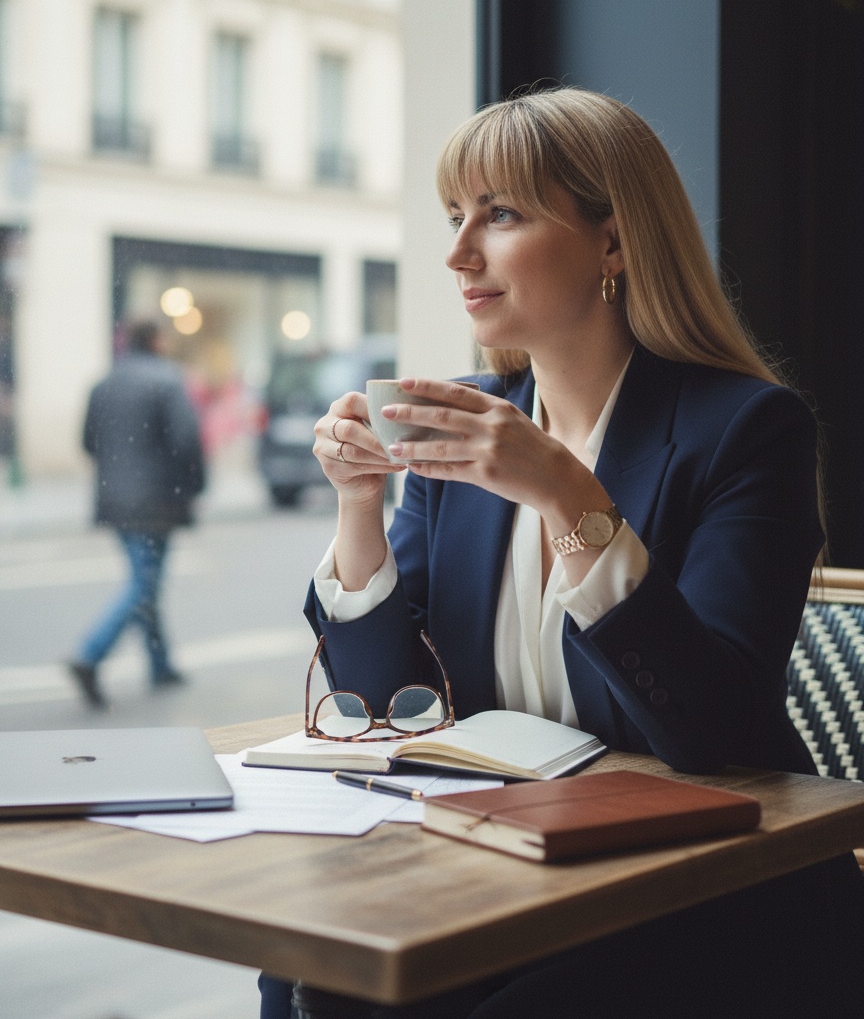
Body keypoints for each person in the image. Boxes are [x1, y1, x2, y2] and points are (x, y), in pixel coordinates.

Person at [260, 88, 863, 1018]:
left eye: (500, 215)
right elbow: (384, 708)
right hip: (506, 866)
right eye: (455, 218)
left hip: (704, 893)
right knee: (312, 965)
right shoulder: (464, 425)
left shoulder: (747, 430)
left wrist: (565, 495)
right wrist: (359, 506)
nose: (460, 253)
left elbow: (711, 731)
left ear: (613, 243)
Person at [69, 318, 205, 708]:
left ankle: (160, 665)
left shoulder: (103, 383)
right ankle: (89, 656)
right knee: (143, 584)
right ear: (157, 340)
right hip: (156, 501)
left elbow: (87, 442)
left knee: (145, 578)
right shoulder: (167, 380)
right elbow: (186, 440)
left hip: (116, 500)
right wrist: (194, 485)